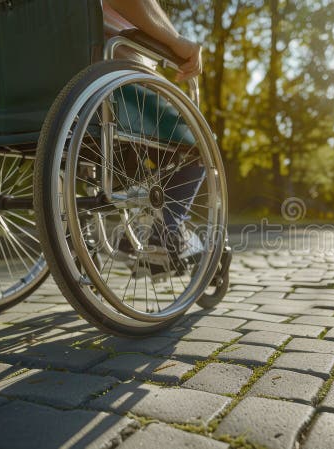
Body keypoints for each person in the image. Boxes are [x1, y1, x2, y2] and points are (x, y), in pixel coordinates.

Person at [104, 0, 206, 275]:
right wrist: (178, 41)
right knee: (198, 140)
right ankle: (165, 234)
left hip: (28, 97)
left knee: (153, 151)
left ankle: (138, 232)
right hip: (108, 86)